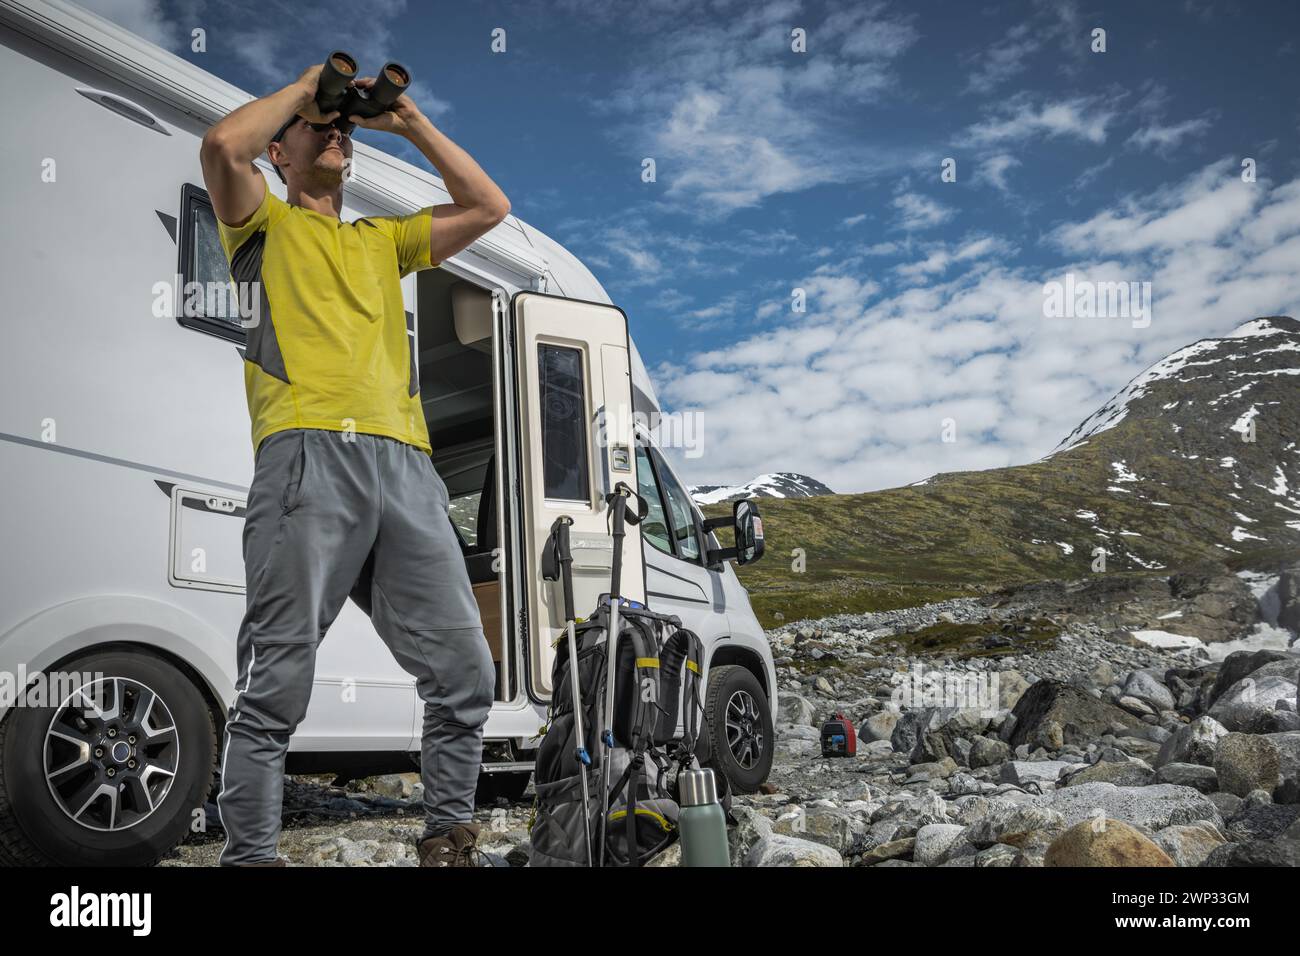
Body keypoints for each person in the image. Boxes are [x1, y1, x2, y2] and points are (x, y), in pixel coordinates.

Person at [198, 62, 511, 867]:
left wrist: (406, 120)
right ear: (281, 152)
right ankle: (252, 857)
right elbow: (221, 144)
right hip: (307, 454)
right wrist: (309, 87)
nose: (336, 132)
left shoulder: (384, 240)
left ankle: (447, 835)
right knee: (277, 683)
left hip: (406, 466)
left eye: (343, 127)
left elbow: (489, 207)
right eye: (319, 127)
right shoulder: (260, 226)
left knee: (465, 671)